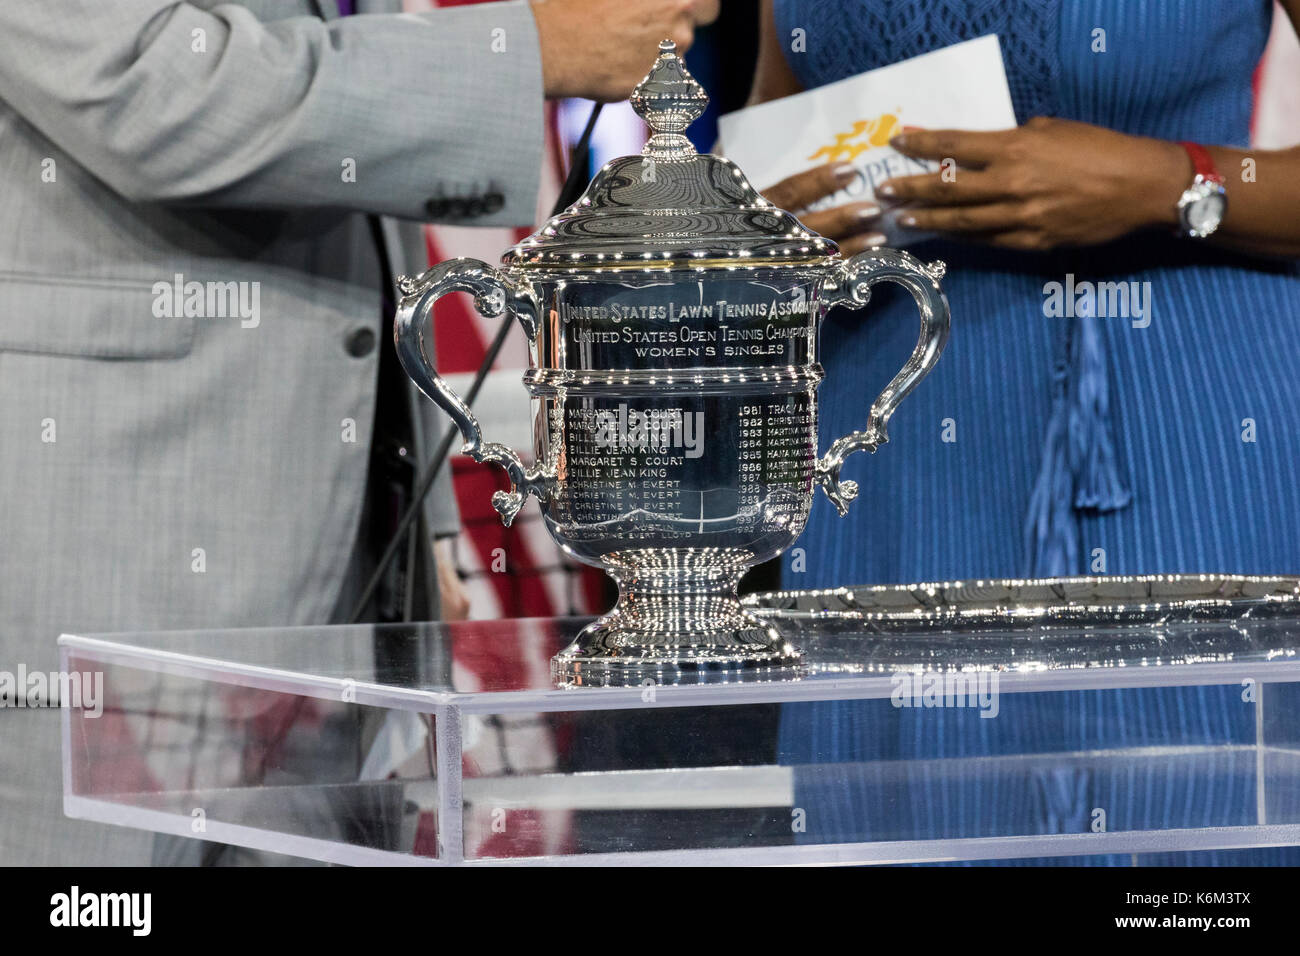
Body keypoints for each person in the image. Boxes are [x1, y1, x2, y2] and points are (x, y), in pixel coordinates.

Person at [0, 0, 718, 866]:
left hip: (350, 541)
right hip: (110, 522)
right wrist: (527, 47)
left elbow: (364, 166)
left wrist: (426, 530)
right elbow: (147, 84)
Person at [749, 0, 1300, 862]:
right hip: (887, 443)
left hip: (1182, 424)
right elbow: (782, 118)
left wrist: (1173, 182)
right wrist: (762, 232)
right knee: (910, 820)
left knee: (1189, 833)